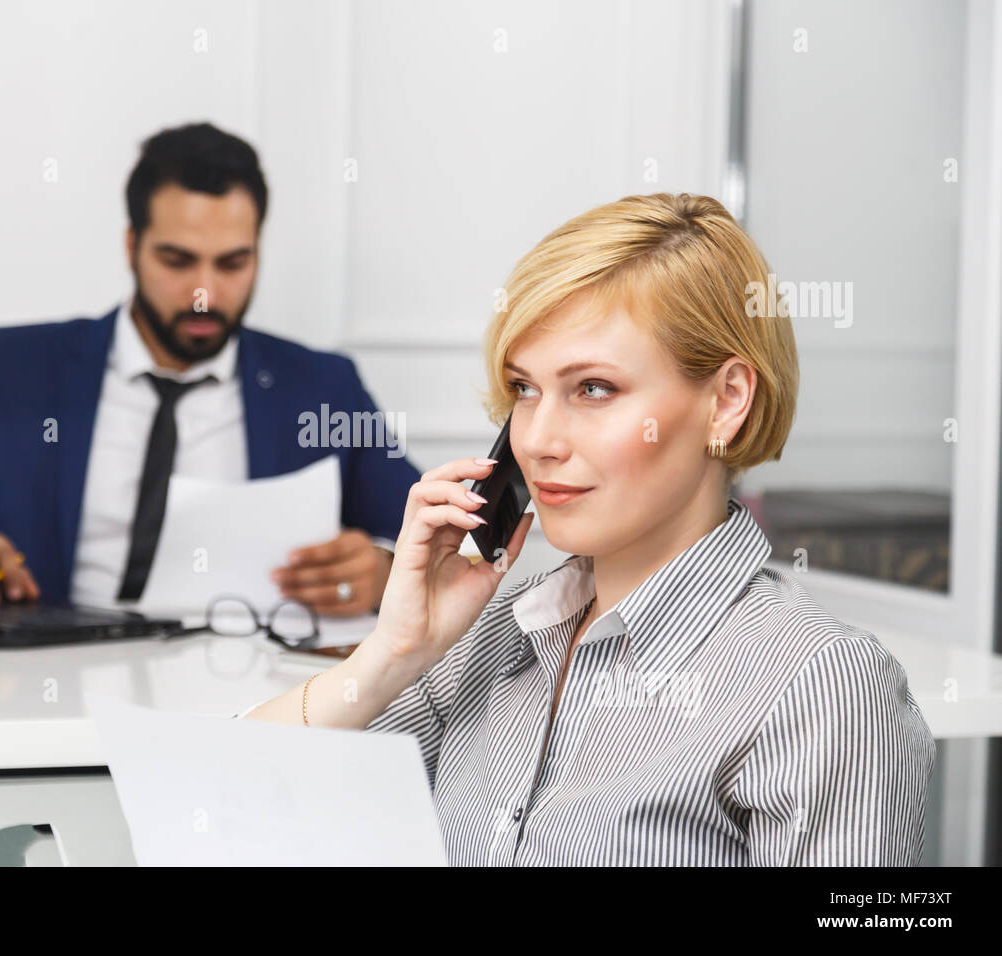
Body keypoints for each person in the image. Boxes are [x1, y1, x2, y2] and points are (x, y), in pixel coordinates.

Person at [241, 192, 937, 865]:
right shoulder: (491, 637)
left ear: (726, 402)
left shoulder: (822, 686)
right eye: (524, 389)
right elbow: (237, 802)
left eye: (593, 389)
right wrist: (393, 651)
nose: (538, 439)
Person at [0, 122, 417, 616]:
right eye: (177, 261)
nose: (205, 295)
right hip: (39, 674)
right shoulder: (6, 369)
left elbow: (442, 536)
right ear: (132, 248)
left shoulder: (323, 388)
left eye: (232, 264)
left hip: (246, 679)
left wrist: (383, 573)